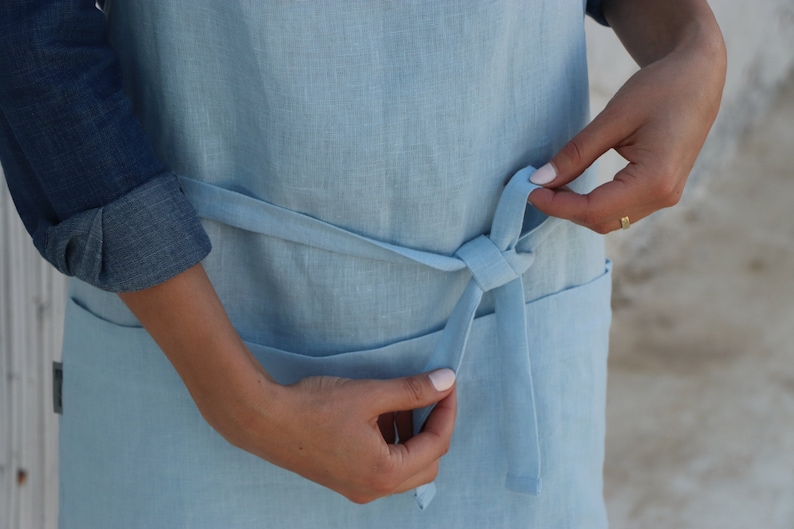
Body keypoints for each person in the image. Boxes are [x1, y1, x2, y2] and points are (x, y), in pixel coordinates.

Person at [0, 0, 726, 527]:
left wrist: (689, 40)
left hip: (514, 336)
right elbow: (30, 33)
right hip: (200, 344)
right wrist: (243, 403)